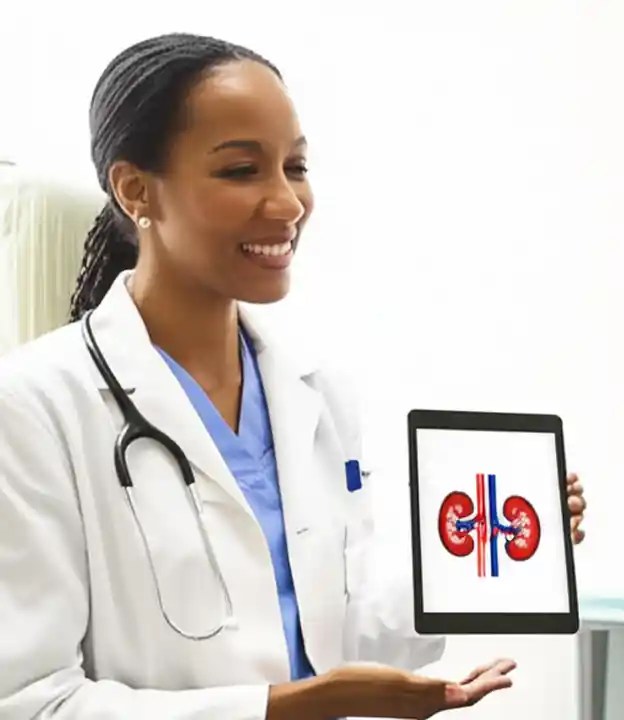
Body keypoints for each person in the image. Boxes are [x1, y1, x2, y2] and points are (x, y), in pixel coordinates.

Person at [0, 33, 587, 720]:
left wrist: (478, 553)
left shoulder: (317, 393)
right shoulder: (35, 407)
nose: (287, 203)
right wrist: (291, 705)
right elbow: (31, 702)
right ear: (136, 190)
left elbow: (338, 636)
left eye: (296, 167)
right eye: (241, 170)